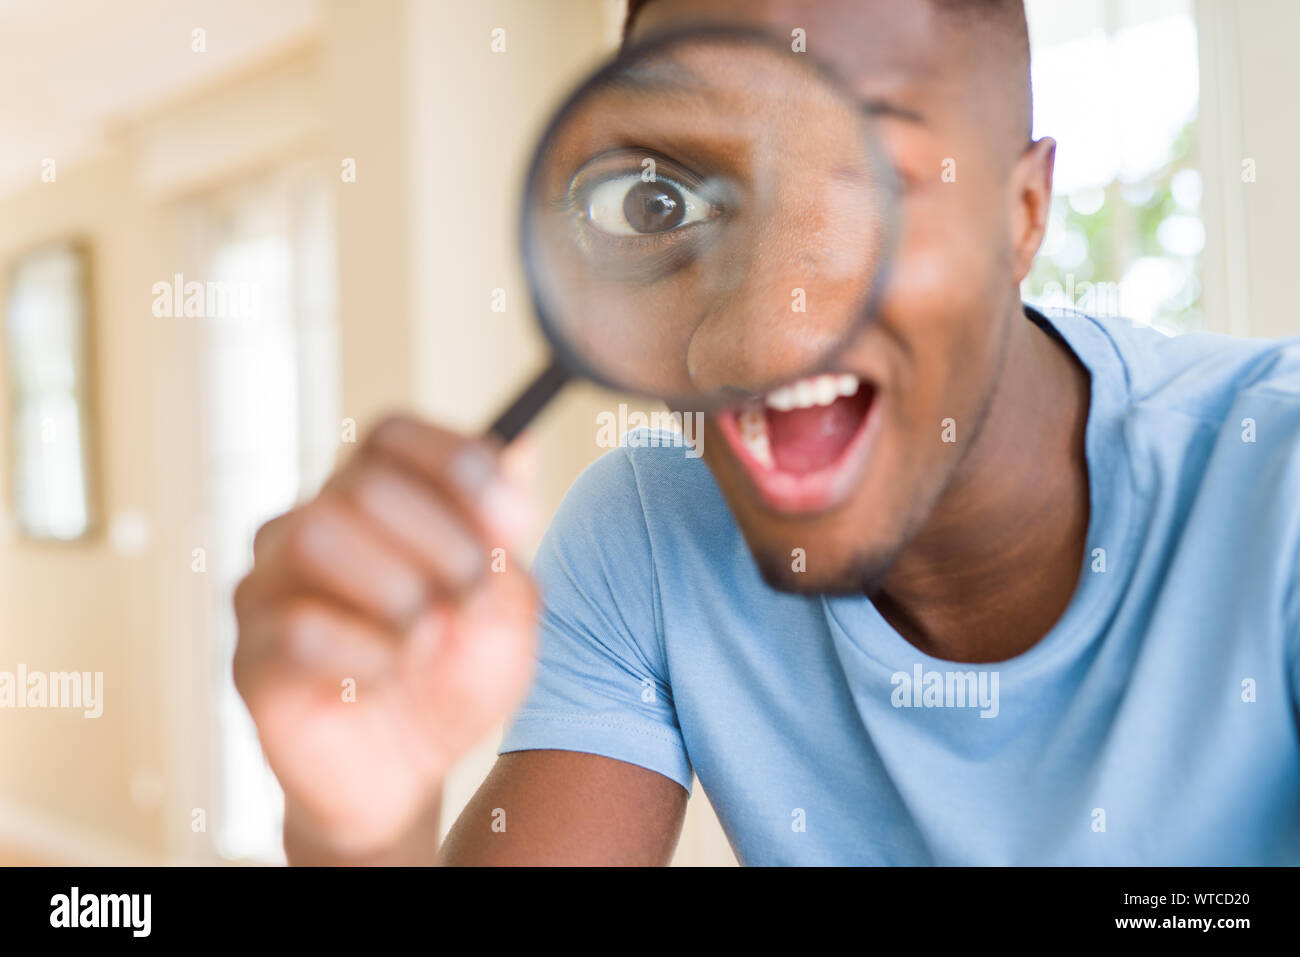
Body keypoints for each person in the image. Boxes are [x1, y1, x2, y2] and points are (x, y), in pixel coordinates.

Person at [232, 0, 1300, 865]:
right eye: (660, 205)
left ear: (1022, 216)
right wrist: (355, 831)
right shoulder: (646, 532)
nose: (744, 343)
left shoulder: (1280, 480)